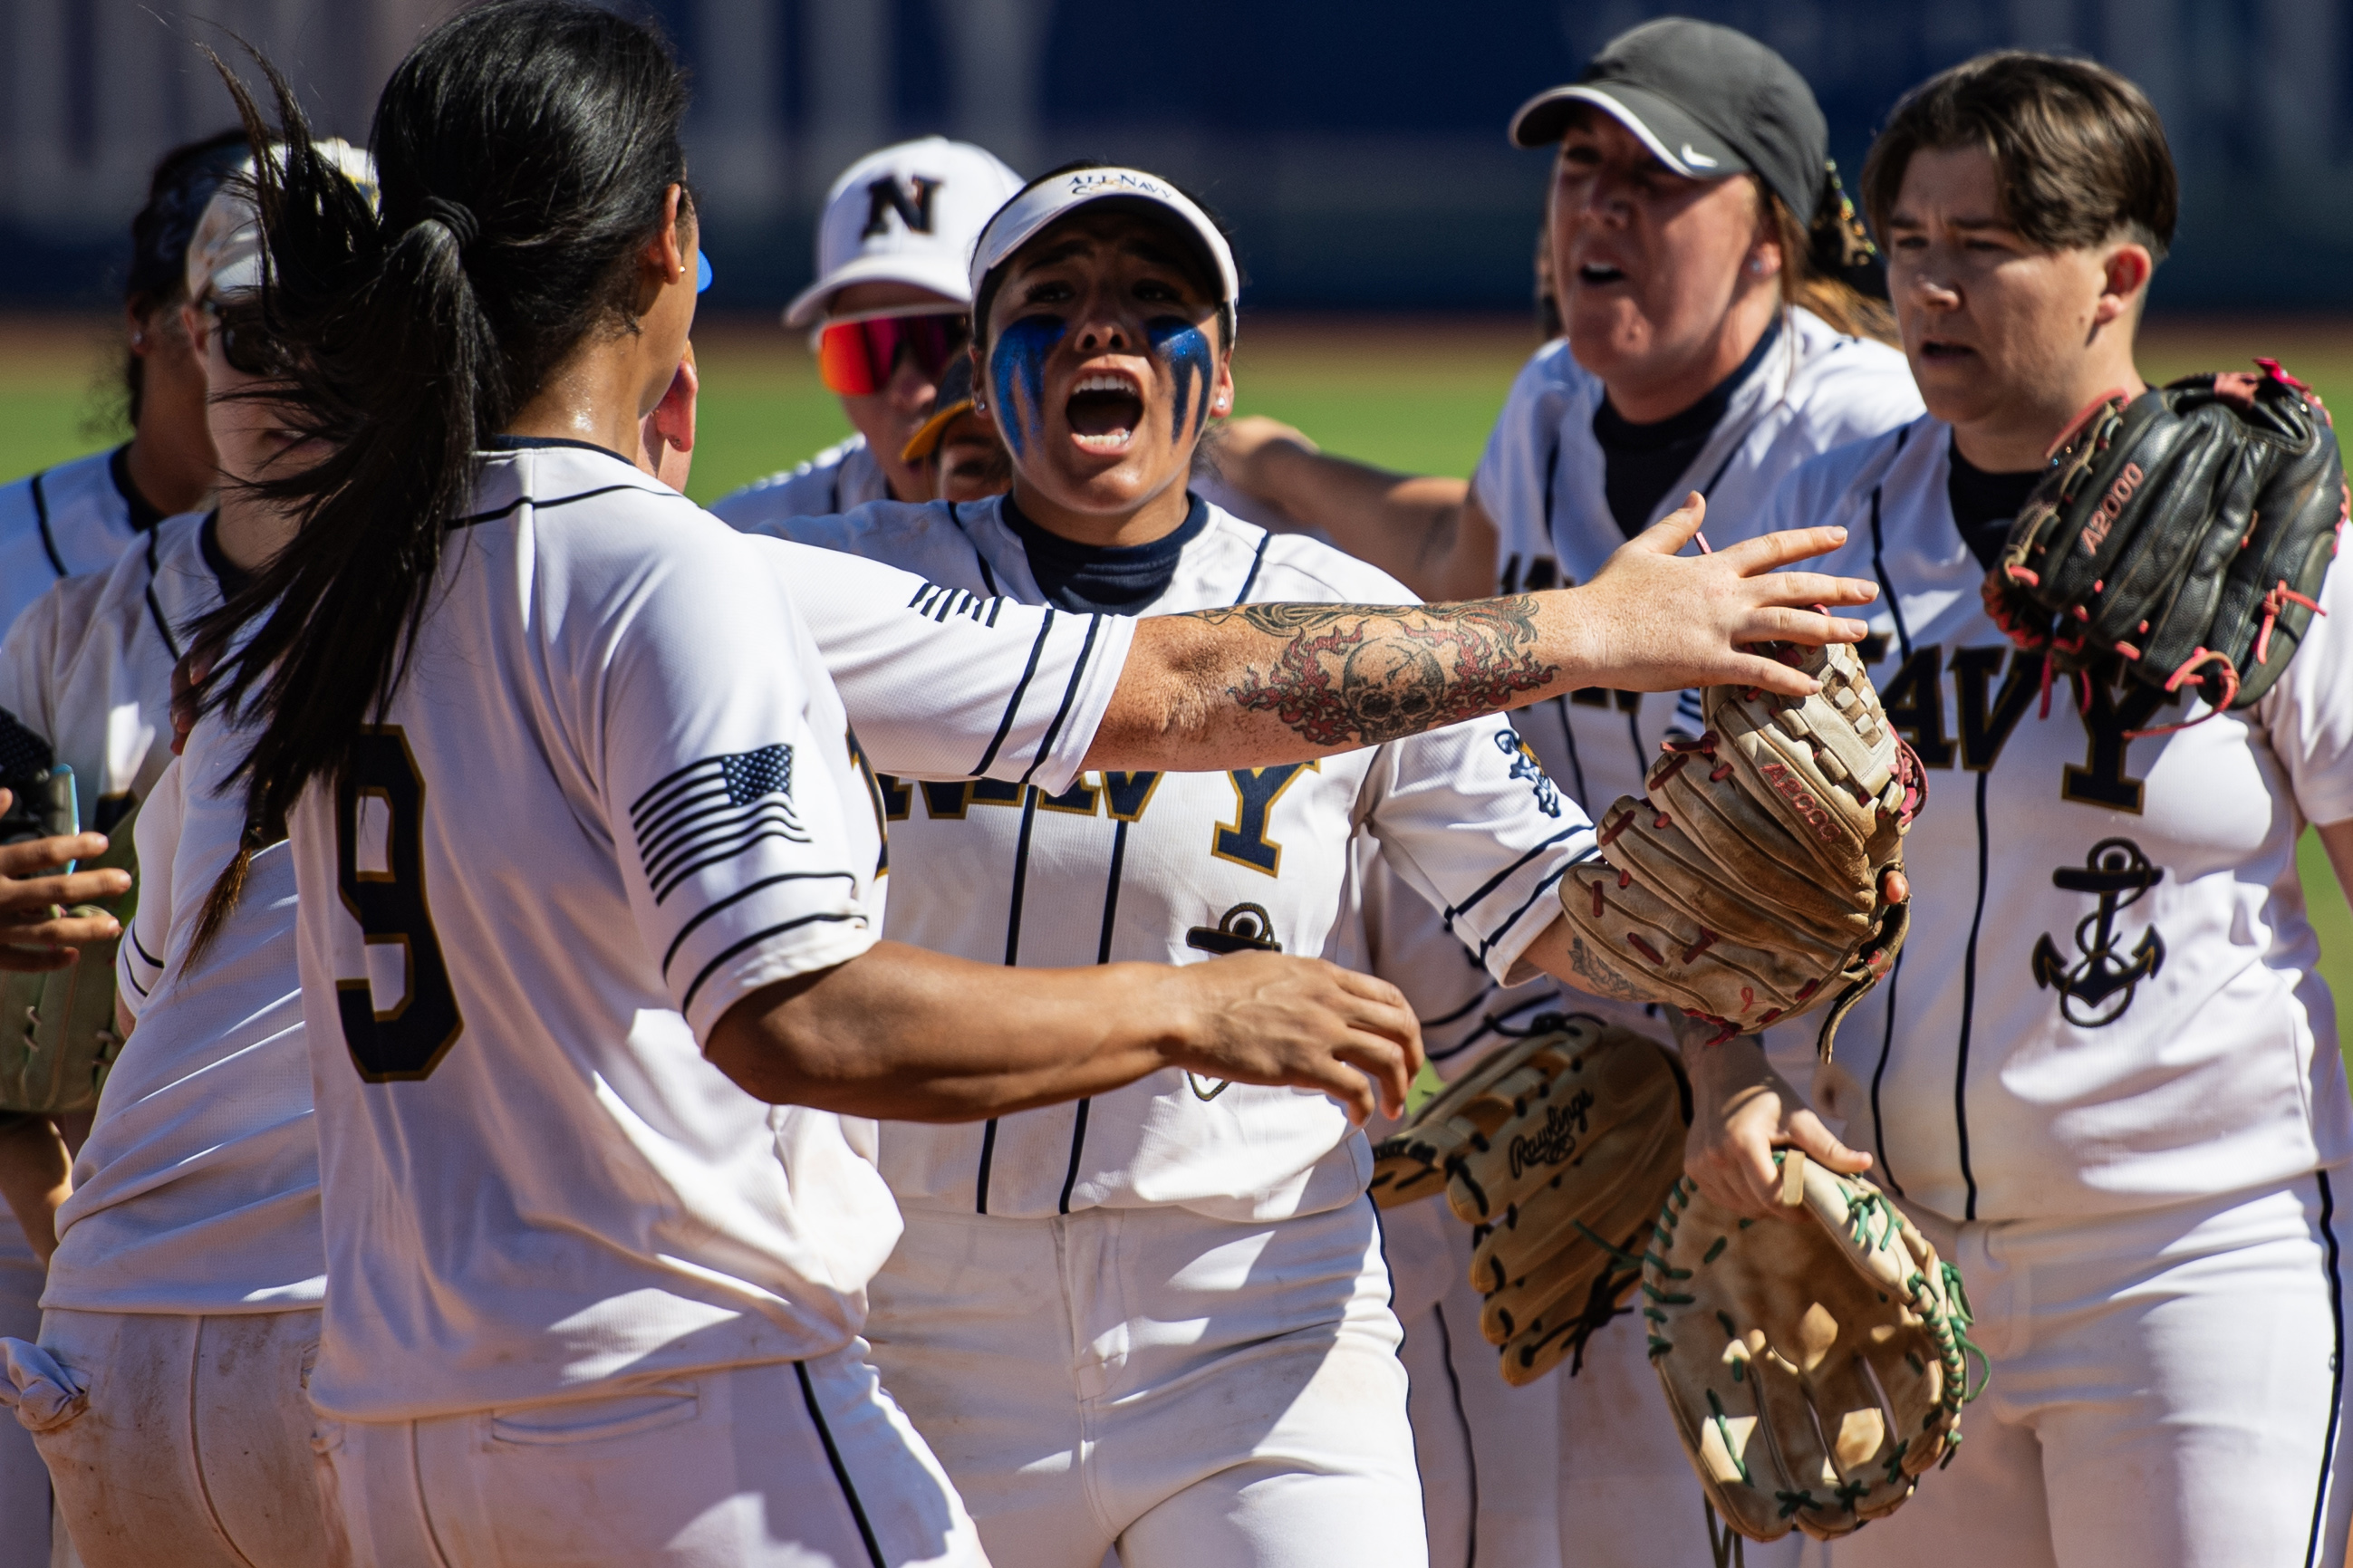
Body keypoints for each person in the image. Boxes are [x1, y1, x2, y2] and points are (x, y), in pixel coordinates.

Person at [178, 10, 1874, 1565]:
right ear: (975, 365)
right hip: (920, 1321)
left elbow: (1574, 915)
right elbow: (1185, 690)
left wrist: (1742, 1026)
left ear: (1219, 371)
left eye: (1152, 306)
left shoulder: (1343, 618)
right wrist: (1580, 631)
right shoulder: (791, 577)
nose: (1100, 334)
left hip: (1255, 1319)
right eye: (1047, 306)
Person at [1217, 21, 1928, 1568]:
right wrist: (1267, 458)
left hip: (1817, 1106)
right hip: (1626, 1044)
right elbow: (1462, 564)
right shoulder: (1550, 401)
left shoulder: (1860, 436)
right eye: (1578, 171)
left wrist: (1728, 1059)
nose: (1594, 209)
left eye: (1653, 180)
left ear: (1772, 235)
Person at [1692, 53, 2353, 1568]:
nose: (1929, 288)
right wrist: (1727, 1071)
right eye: (1908, 247)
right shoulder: (1811, 545)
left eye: (1980, 249)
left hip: (2195, 1259)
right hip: (1875, 1259)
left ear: (2113, 273)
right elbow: (1714, 900)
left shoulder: (2264, 553)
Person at [0, 129, 248, 637]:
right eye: (244, 325)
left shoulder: (405, 562)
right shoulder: (11, 555)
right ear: (144, 320)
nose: (295, 363)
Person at [712, 138, 1021, 523]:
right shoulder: (755, 546)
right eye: (865, 349)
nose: (910, 394)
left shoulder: (1114, 527)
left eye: (947, 339)